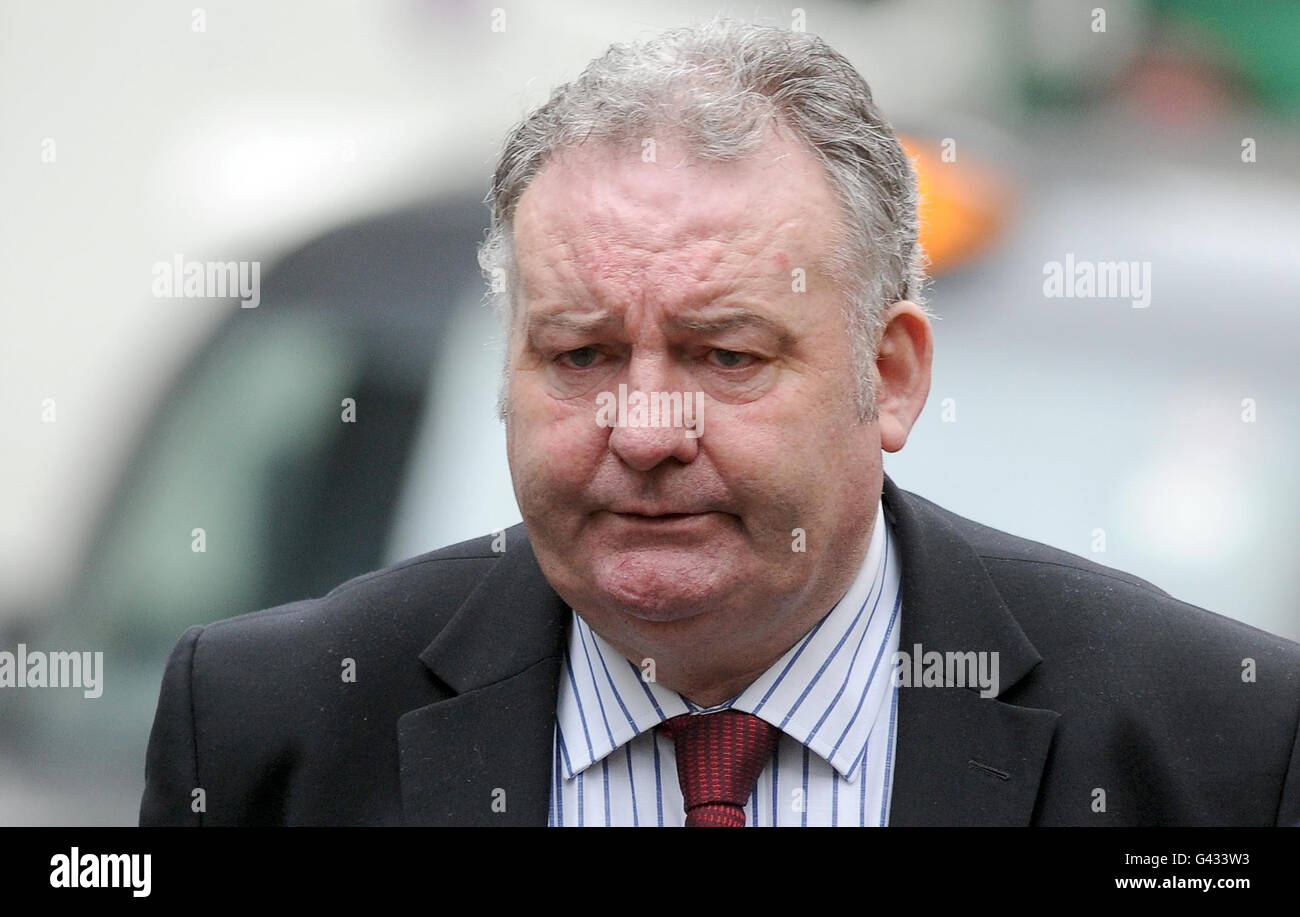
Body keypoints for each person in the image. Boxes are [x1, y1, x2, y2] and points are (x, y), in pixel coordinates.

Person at [140, 18, 1300, 827]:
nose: (643, 428)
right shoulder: (273, 730)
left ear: (888, 376)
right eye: (580, 353)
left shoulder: (1214, 743)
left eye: (726, 355)